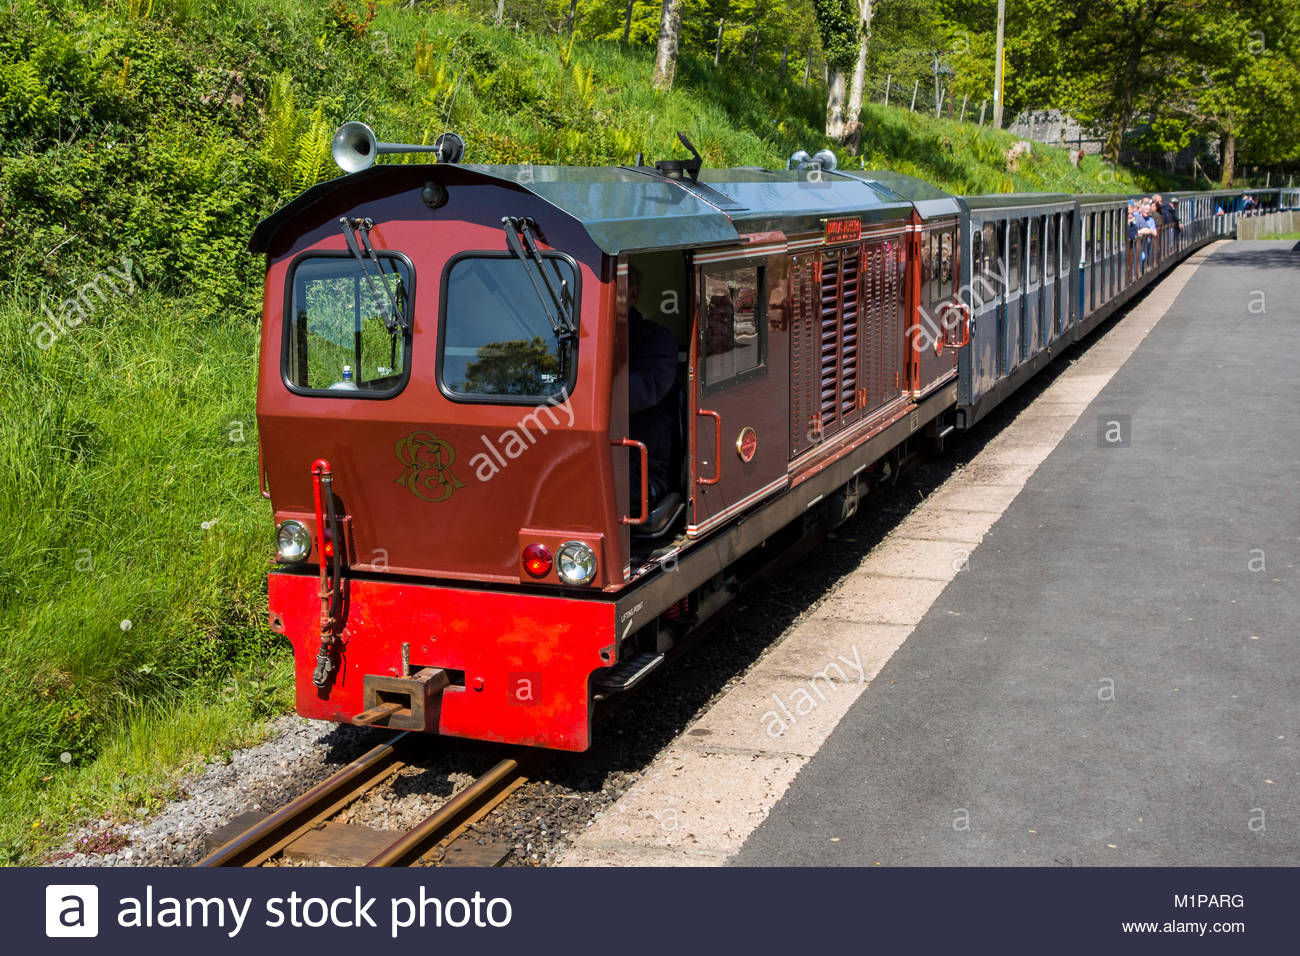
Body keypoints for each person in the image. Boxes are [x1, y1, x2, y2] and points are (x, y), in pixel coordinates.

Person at [627, 265, 679, 505]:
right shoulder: (575, 341)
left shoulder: (657, 340)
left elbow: (644, 389)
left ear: (632, 294)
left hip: (641, 468)